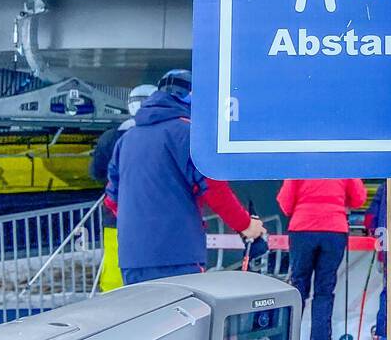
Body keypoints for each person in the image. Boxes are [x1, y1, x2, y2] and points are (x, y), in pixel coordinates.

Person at [105, 68, 263, 285]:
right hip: (178, 254)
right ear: (192, 98)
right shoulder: (189, 135)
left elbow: (112, 199)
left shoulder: (126, 140)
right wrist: (245, 225)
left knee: (143, 318)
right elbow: (214, 189)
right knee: (181, 317)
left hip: (133, 257)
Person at [278, 176, 367, 340]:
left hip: (302, 229)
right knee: (324, 289)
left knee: (298, 287)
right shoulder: (343, 165)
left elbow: (285, 203)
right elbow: (359, 198)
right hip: (334, 230)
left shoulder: (300, 165)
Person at [89, 83, 156, 291]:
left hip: (115, 211)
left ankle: (114, 300)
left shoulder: (111, 137)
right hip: (153, 211)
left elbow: (96, 172)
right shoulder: (161, 136)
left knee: (115, 259)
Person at [364, 182, 388, 340]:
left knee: (390, 290)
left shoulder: (386, 184)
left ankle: (384, 335)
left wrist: (371, 231)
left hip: (387, 240)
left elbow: (371, 216)